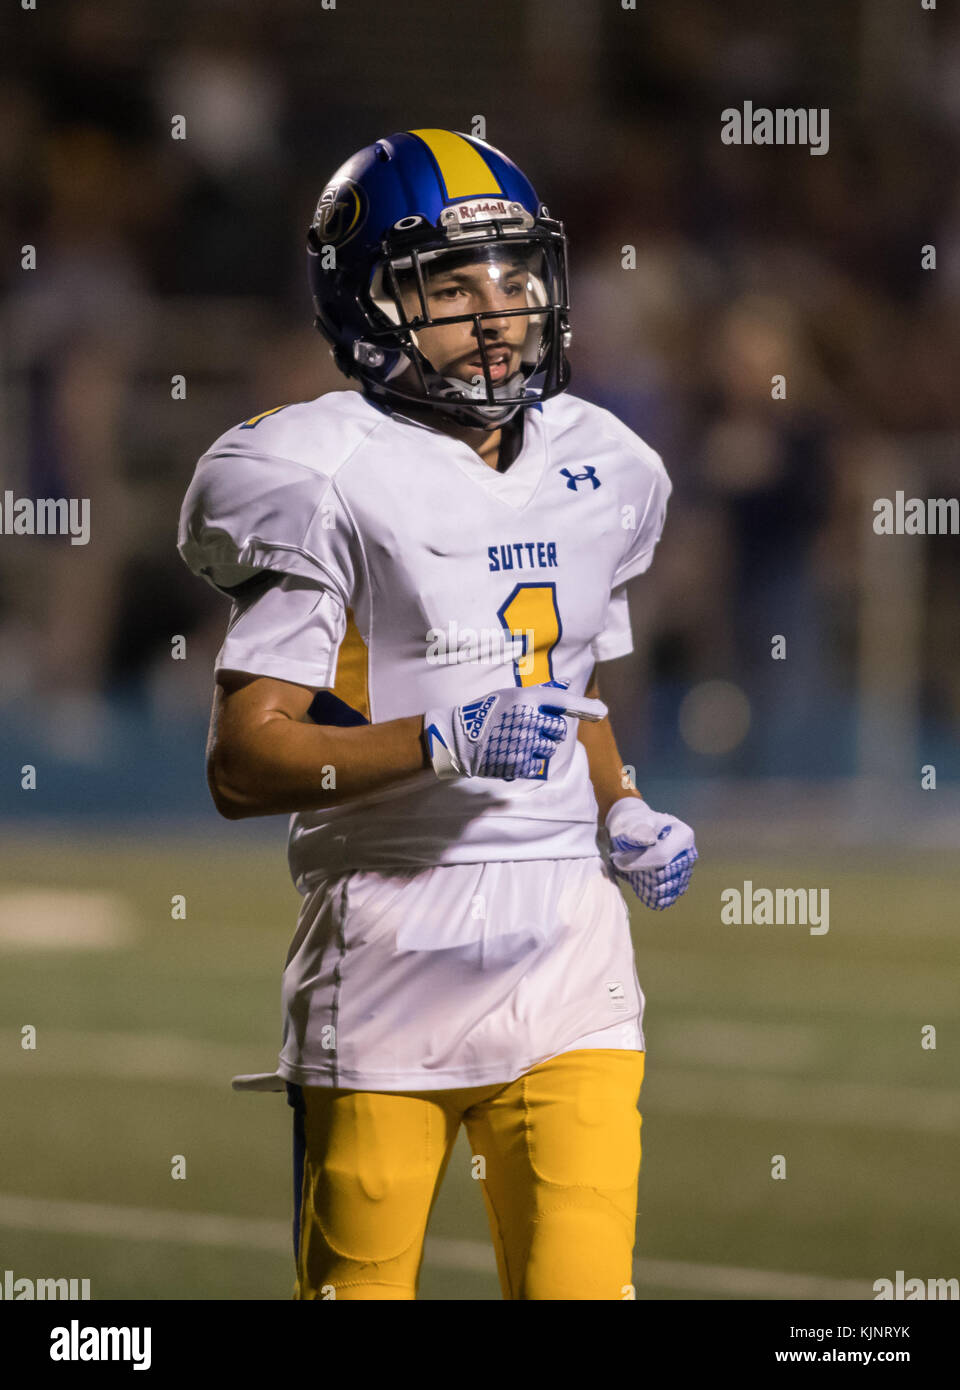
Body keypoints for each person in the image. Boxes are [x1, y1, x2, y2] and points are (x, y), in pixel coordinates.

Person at [178, 128, 697, 1301]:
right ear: (366, 303)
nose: (499, 311)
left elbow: (571, 687)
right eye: (452, 285)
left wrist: (621, 808)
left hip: (570, 951)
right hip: (388, 955)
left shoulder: (600, 458)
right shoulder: (321, 470)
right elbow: (242, 764)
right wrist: (441, 741)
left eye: (515, 276)